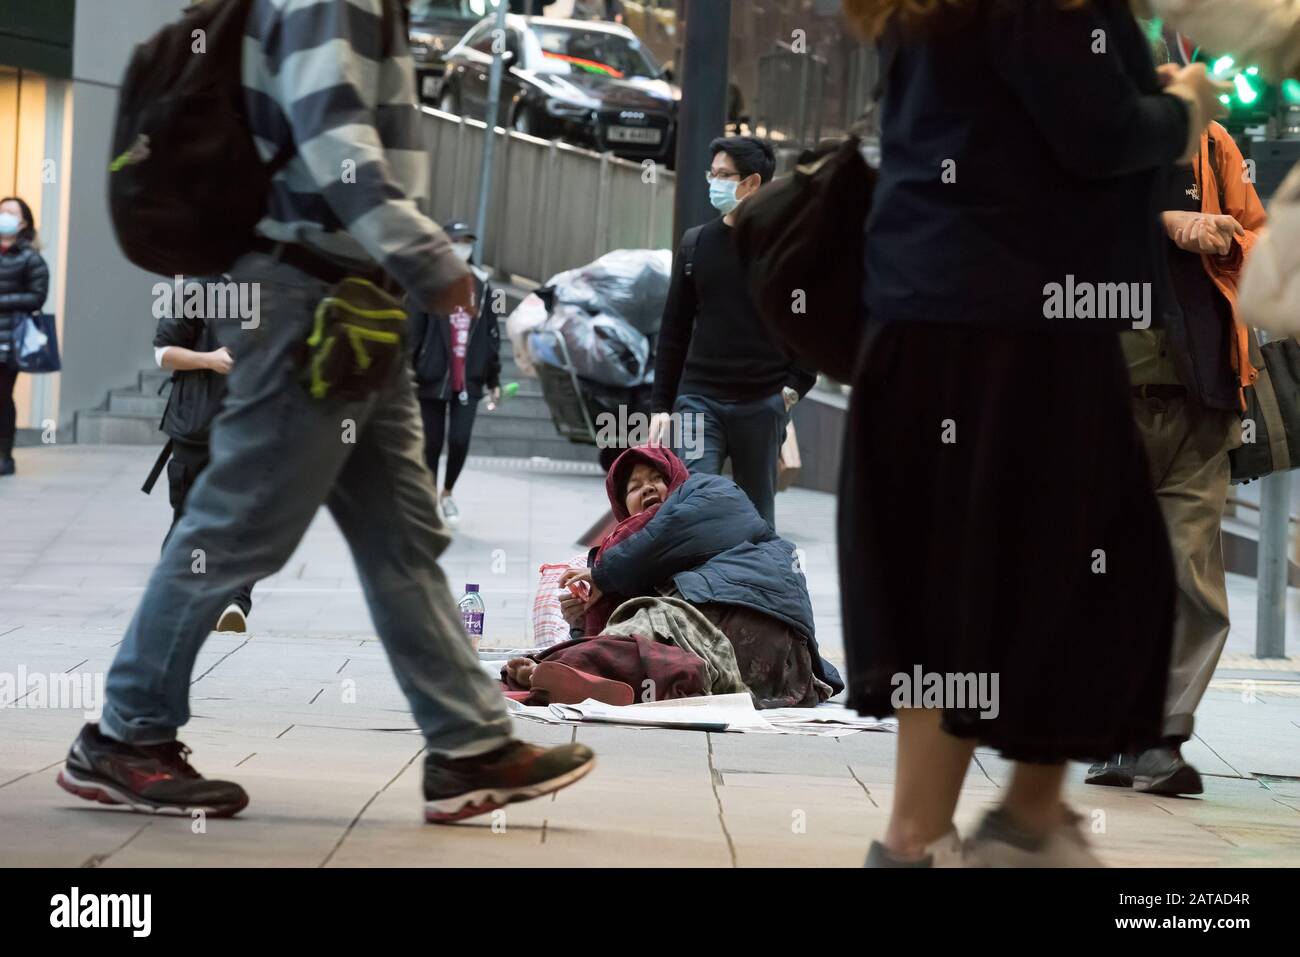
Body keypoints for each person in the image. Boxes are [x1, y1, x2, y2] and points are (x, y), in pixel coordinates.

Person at [57, 0, 593, 824]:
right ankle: (125, 734)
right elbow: (336, 145)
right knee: (236, 523)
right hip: (306, 299)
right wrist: (430, 258)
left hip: (350, 303)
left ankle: (470, 747)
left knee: (402, 536)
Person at [841, 0, 1226, 866]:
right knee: (1058, 574)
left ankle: (993, 822)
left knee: (975, 583)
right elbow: (1095, 133)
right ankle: (981, 827)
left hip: (935, 323)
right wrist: (1185, 106)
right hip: (1014, 334)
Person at [1088, 46, 1267, 795]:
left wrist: (1228, 238)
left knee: (1190, 575)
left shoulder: (1216, 146)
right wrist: (1162, 220)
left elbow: (1262, 243)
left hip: (1201, 392)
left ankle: (1161, 735)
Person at [534, 445, 844, 709]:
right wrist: (579, 619)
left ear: (677, 482)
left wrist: (603, 575)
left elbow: (670, 532)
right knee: (646, 649)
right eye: (635, 486)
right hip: (724, 665)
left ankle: (557, 672)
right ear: (622, 510)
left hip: (764, 625)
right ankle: (563, 677)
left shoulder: (711, 492)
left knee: (653, 620)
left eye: (658, 478)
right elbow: (609, 629)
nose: (648, 488)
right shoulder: (628, 559)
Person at [649, 136, 816, 528]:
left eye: (725, 175)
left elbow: (809, 324)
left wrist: (791, 391)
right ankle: (700, 590)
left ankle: (754, 588)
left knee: (756, 519)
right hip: (698, 400)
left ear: (753, 183)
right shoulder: (697, 244)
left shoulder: (786, 248)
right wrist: (660, 407)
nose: (715, 182)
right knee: (696, 507)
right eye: (713, 174)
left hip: (763, 401)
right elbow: (673, 329)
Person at [149, 300, 256, 633]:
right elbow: (162, 352)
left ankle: (232, 602)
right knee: (188, 520)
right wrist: (209, 360)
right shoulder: (198, 288)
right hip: (197, 427)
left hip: (250, 430)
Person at [408, 221, 501, 526]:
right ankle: (431, 496)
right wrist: (410, 368)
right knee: (432, 443)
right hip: (432, 376)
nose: (463, 245)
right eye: (456, 240)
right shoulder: (428, 282)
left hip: (469, 378)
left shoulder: (482, 285)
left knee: (459, 440)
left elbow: (490, 334)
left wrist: (493, 379)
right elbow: (414, 329)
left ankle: (447, 493)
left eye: (467, 240)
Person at [0, 196, 49, 478]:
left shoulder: (31, 258)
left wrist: (3, 300)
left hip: (13, 339)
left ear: (23, 222)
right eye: (1, 211)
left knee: (3, 396)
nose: (4, 216)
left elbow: (37, 297)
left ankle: (5, 455)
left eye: (10, 212)